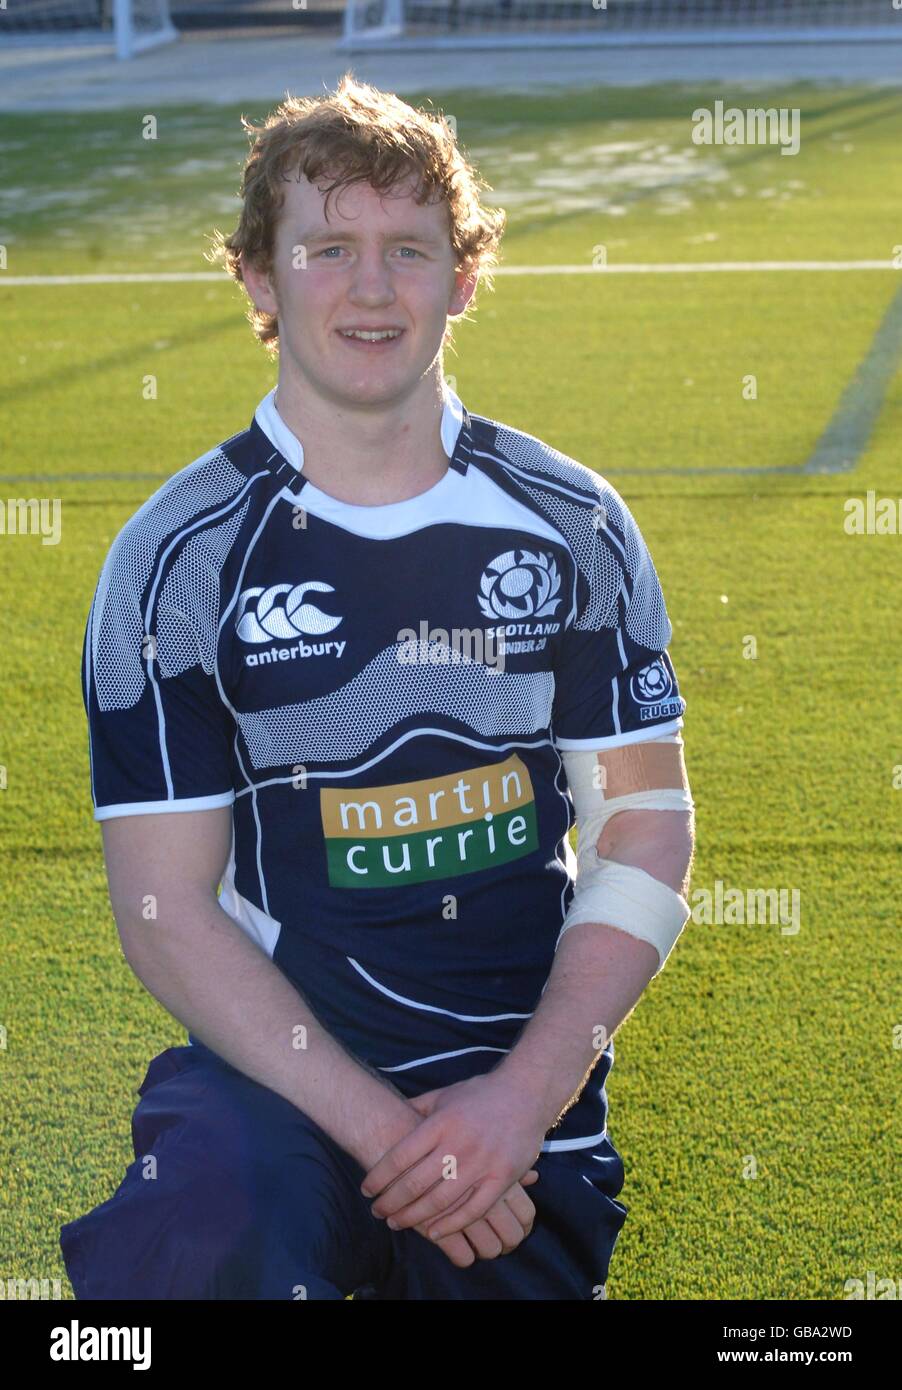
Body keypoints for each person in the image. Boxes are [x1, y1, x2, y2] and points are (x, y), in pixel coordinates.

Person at [60, 73, 694, 1300]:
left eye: (409, 249)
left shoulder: (573, 524)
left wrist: (519, 1098)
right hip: (276, 1081)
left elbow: (641, 828)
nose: (368, 286)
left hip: (512, 1093)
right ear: (257, 279)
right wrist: (387, 1134)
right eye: (326, 247)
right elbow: (165, 910)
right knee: (186, 1245)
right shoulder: (171, 563)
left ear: (462, 278)